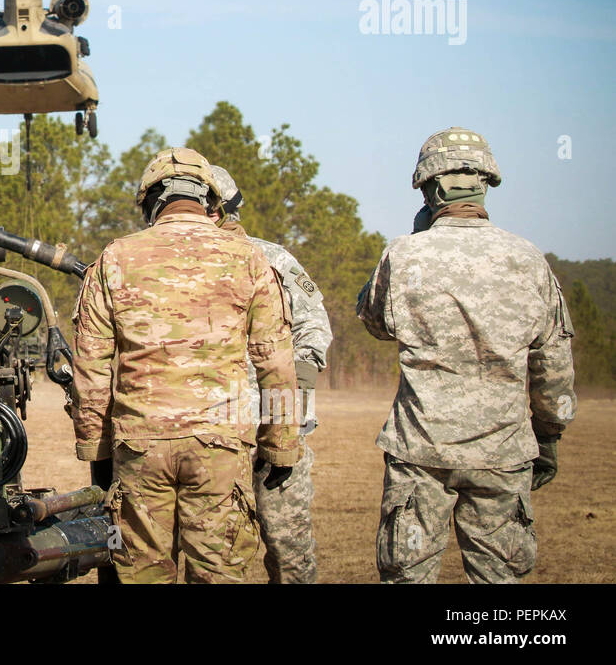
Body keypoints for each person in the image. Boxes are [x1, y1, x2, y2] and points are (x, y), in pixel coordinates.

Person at [71, 147, 300, 583]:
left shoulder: (115, 258)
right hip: (221, 446)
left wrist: (95, 446)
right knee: (218, 573)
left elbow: (91, 364)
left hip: (141, 445)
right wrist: (281, 442)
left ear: (151, 200)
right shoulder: (249, 258)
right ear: (208, 199)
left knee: (143, 574)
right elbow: (277, 364)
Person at [357, 127, 576, 584]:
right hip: (503, 452)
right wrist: (549, 434)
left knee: (407, 577)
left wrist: (418, 237)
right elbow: (552, 362)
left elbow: (376, 323)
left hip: (421, 451)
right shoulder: (528, 258)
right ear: (484, 184)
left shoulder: (404, 254)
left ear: (429, 189)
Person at [209, 165, 331, 584]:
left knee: (289, 550)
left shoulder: (272, 257)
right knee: (219, 556)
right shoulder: (177, 264)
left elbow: (313, 324)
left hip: (273, 429)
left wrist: (289, 410)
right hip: (212, 435)